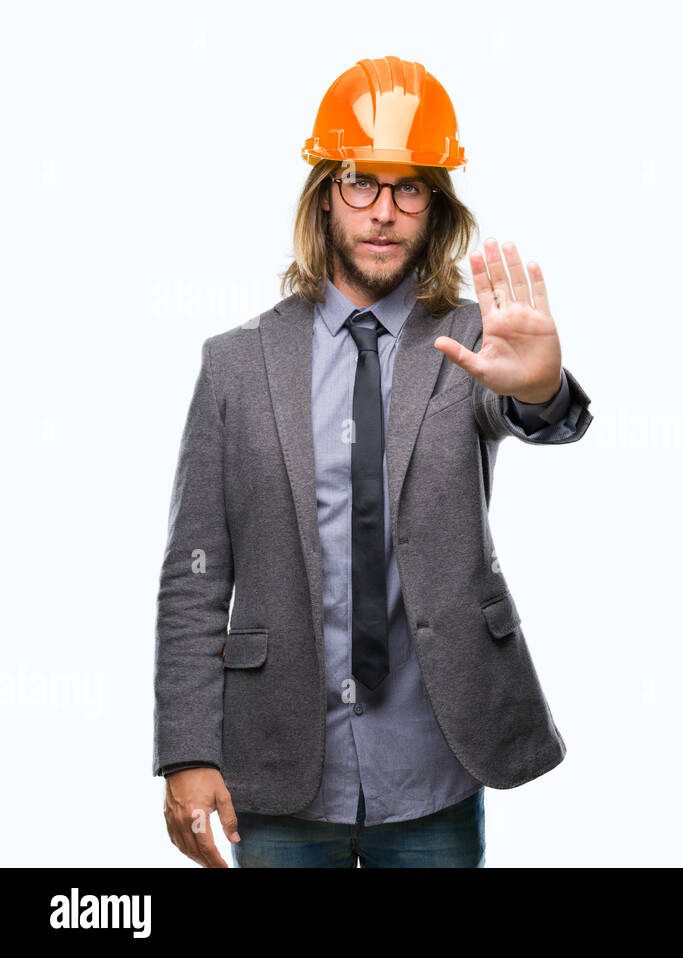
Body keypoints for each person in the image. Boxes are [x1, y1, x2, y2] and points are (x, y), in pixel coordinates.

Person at [154, 56, 593, 868]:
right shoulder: (235, 366)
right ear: (326, 194)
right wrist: (186, 750)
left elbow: (531, 410)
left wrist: (542, 390)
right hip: (279, 769)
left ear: (436, 206)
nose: (384, 212)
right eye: (362, 183)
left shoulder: (470, 342)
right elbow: (193, 575)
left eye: (410, 188)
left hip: (432, 771)